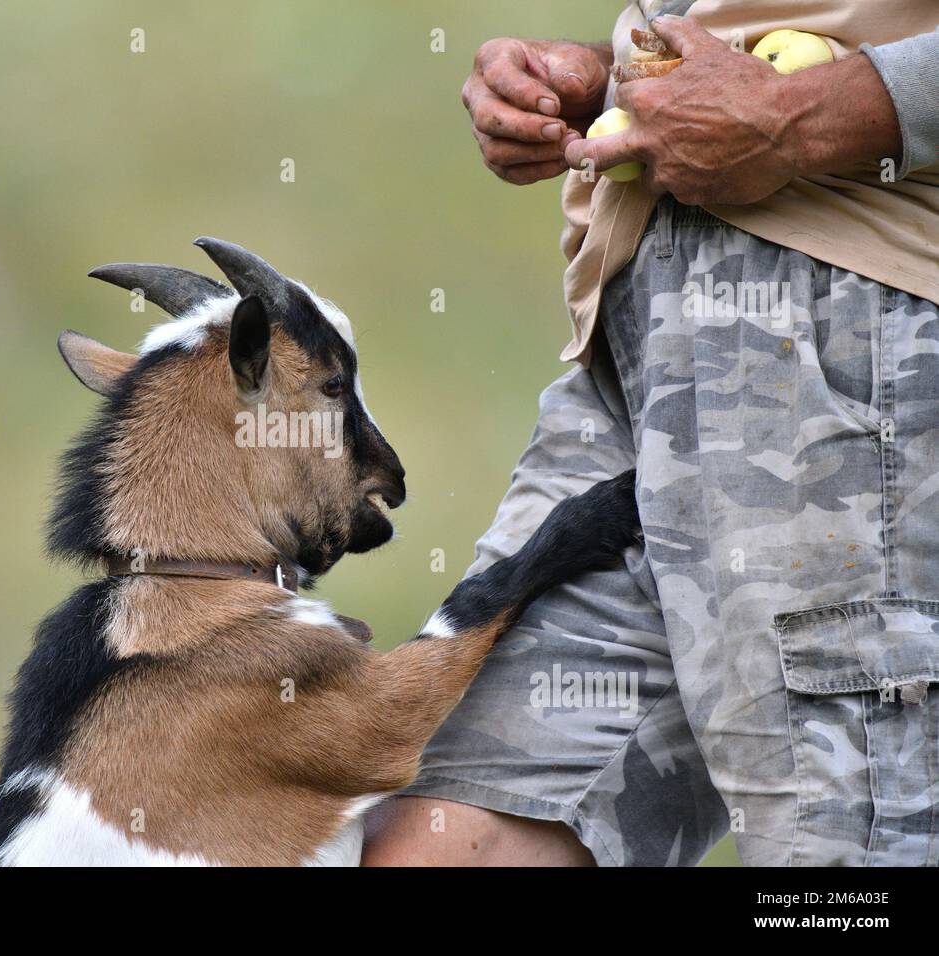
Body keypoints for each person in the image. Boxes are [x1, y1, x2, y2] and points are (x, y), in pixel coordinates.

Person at [364, 1, 939, 866]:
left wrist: (797, 118)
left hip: (862, 341)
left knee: (842, 873)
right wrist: (611, 78)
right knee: (444, 837)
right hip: (639, 338)